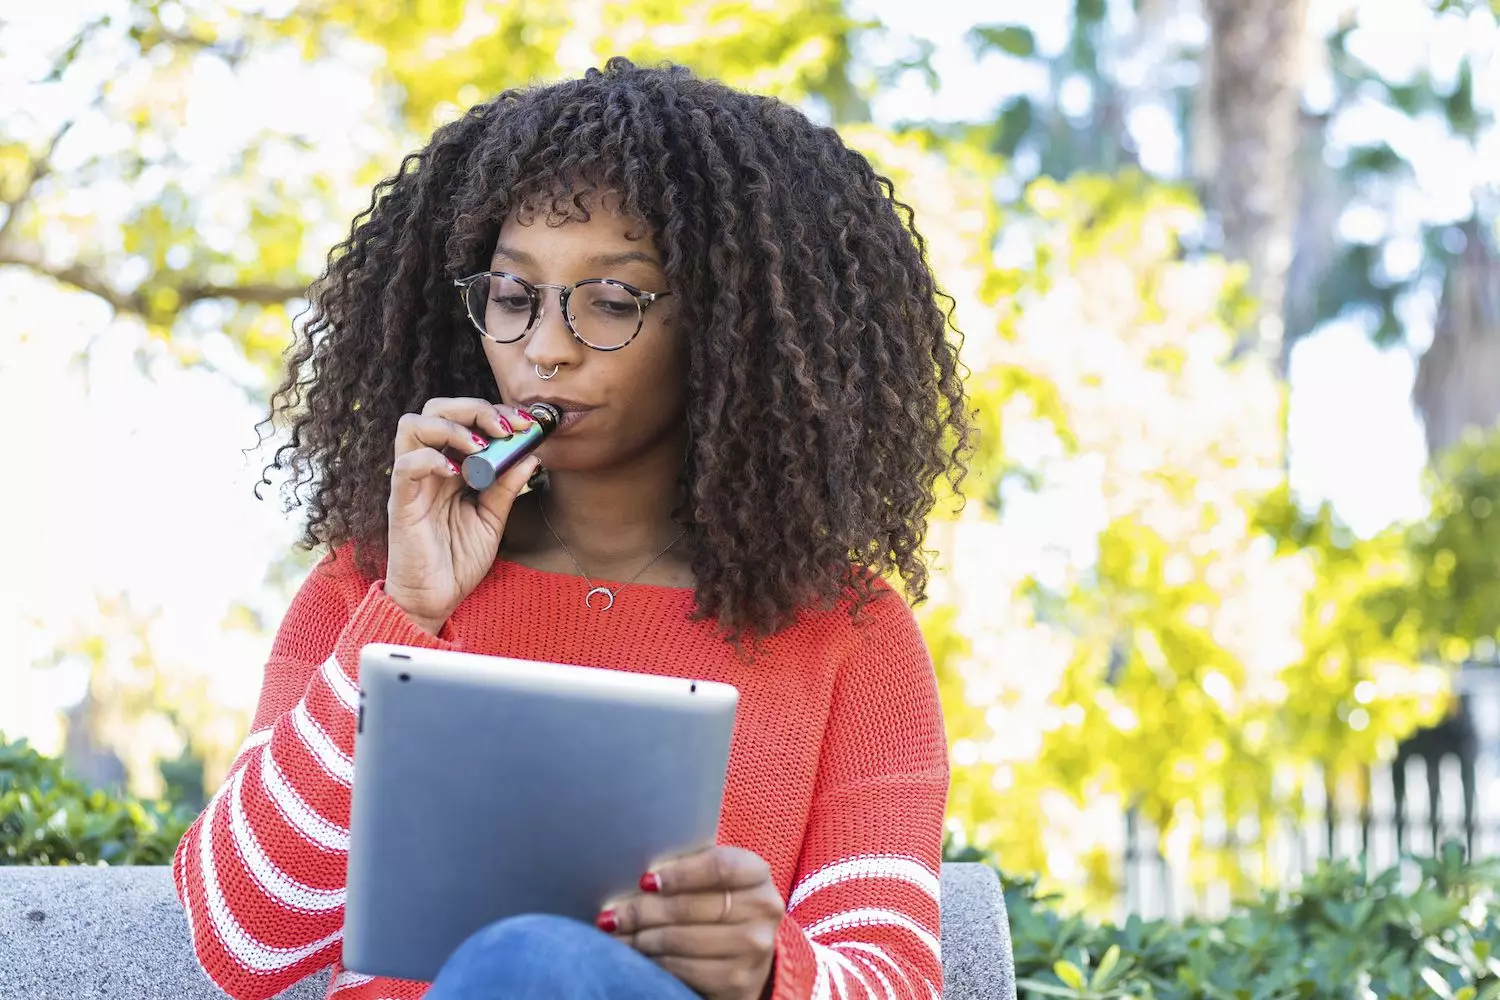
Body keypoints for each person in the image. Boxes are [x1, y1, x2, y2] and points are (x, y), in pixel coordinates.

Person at [172, 57, 970, 1000]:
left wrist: (770, 967)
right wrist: (407, 613)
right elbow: (242, 942)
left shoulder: (843, 631)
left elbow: (891, 973)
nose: (545, 348)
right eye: (514, 298)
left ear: (723, 329)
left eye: (612, 301)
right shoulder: (370, 592)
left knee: (533, 959)